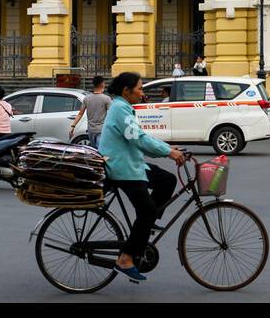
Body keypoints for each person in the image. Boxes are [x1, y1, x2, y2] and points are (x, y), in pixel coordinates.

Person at [100, 71, 187, 282]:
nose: (142, 93)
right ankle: (125, 258)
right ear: (126, 91)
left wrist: (167, 147)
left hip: (131, 163)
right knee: (147, 211)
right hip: (122, 168)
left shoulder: (123, 107)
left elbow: (140, 136)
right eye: (139, 89)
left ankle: (145, 224)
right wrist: (168, 152)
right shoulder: (120, 109)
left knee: (168, 180)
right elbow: (138, 138)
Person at [71, 75, 111, 148]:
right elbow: (112, 114)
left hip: (91, 131)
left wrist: (73, 126)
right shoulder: (106, 99)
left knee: (94, 150)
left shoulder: (87, 98)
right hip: (101, 130)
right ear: (102, 84)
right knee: (100, 151)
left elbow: (80, 114)